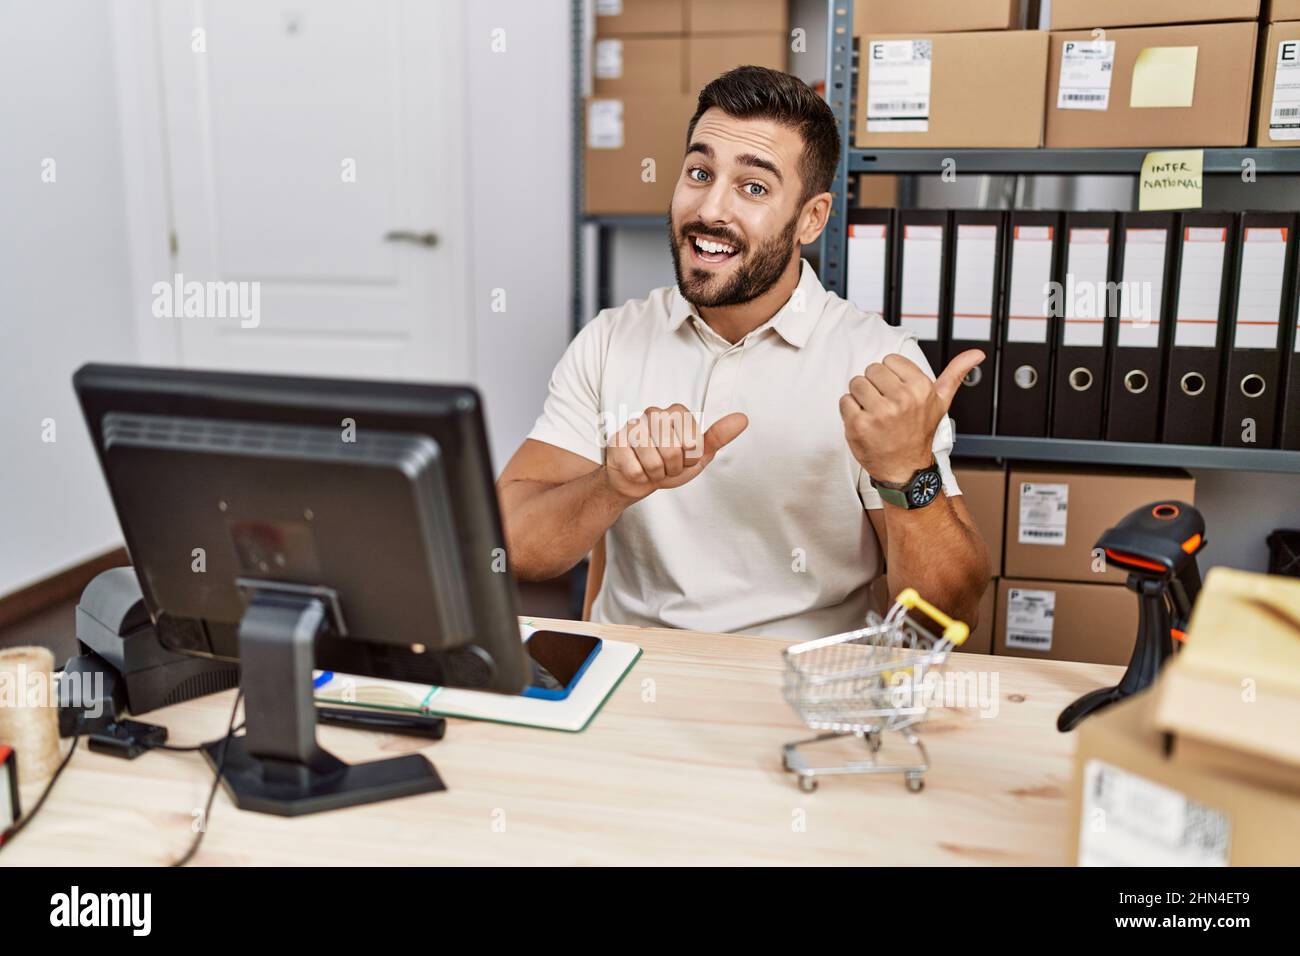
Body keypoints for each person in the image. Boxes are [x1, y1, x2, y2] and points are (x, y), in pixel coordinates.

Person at [497, 66, 990, 639]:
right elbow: (512, 548)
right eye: (700, 173)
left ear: (811, 218)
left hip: (793, 688)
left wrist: (907, 470)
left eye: (753, 187)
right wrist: (614, 485)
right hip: (629, 678)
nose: (710, 210)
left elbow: (947, 618)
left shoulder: (878, 363)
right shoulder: (612, 339)